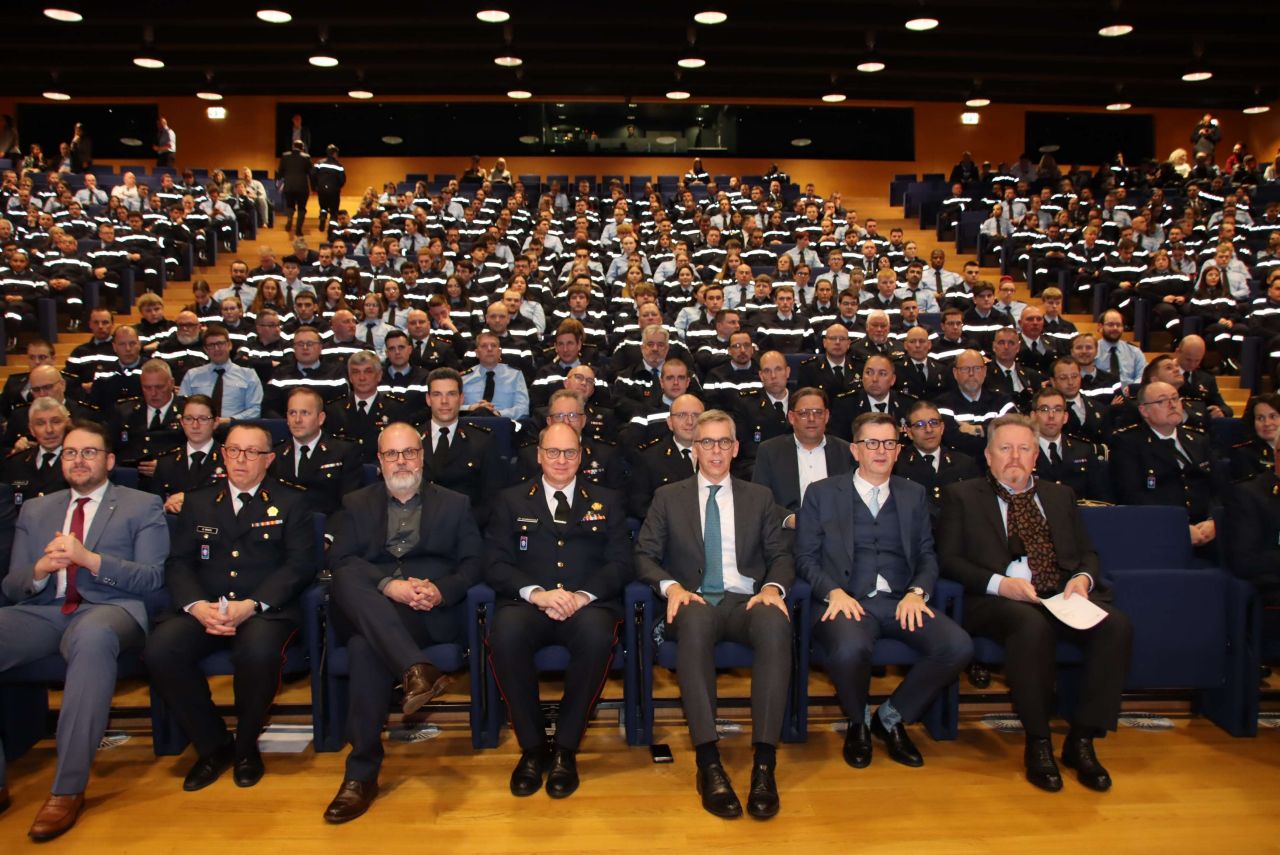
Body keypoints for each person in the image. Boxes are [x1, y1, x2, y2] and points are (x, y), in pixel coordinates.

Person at [938, 414, 1132, 792]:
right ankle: (1039, 740)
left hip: (1060, 594)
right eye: (1005, 448)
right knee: (1031, 626)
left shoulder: (1059, 496)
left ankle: (1082, 740)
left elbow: (1087, 553)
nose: (1015, 457)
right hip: (995, 600)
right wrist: (1001, 584)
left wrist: (1082, 578)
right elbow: (948, 560)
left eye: (1024, 449)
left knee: (1116, 626)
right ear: (989, 456)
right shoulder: (962, 496)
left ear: (1036, 456)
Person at [0, 422, 167, 840]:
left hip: (111, 610)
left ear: (109, 461)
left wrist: (89, 560)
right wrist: (38, 571)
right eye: (71, 453)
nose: (79, 460)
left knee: (92, 638)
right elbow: (12, 585)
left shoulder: (141, 504)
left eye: (89, 452)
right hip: (46, 609)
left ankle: (67, 789)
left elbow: (151, 579)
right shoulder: (36, 510)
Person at [634, 409, 794, 820]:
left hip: (747, 602)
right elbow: (645, 555)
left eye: (724, 442)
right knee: (696, 619)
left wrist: (773, 589)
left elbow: (781, 556)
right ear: (694, 449)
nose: (716, 450)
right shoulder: (668, 497)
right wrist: (672, 589)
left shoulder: (759, 498)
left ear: (736, 448)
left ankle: (764, 763)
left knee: (776, 622)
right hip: (694, 599)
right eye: (707, 442)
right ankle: (709, 762)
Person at [321, 423, 483, 823]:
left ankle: (360, 774)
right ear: (379, 460)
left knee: (364, 648)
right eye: (392, 454)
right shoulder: (356, 503)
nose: (402, 461)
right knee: (345, 575)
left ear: (422, 455)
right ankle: (416, 669)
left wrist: (441, 590)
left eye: (409, 452)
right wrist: (388, 586)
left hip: (427, 614)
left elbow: (475, 564)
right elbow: (338, 562)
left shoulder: (455, 503)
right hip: (373, 605)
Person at [796, 412, 972, 769]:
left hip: (899, 599)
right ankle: (858, 720)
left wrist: (918, 592)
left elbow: (926, 554)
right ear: (855, 451)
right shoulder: (821, 494)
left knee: (957, 646)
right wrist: (834, 593)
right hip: (845, 600)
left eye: (889, 443)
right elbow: (804, 558)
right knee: (849, 648)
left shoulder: (913, 494)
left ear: (898, 451)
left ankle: (891, 717)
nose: (881, 450)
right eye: (871, 443)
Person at [144, 423, 314, 792]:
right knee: (161, 649)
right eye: (234, 450)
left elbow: (299, 565)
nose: (241, 459)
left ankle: (246, 745)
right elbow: (179, 563)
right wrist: (195, 605)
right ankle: (212, 745)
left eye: (252, 452)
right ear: (222, 454)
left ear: (268, 459)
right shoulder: (198, 501)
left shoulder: (292, 501)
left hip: (264, 609)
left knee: (258, 652)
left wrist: (252, 604)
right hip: (206, 605)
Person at [485, 422, 632, 799]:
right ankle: (532, 748)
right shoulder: (510, 500)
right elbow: (495, 563)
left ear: (581, 456)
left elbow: (620, 563)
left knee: (599, 636)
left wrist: (583, 595)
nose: (561, 460)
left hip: (587, 605)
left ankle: (566, 748)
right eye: (553, 452)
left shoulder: (608, 499)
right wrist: (536, 594)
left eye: (569, 452)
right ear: (538, 455)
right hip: (529, 603)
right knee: (504, 634)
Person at [751, 387, 852, 530]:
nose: (811, 419)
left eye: (818, 413)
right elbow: (759, 500)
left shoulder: (846, 451)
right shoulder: (770, 451)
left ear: (827, 416)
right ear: (792, 417)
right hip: (788, 533)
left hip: (836, 531)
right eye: (804, 413)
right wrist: (788, 519)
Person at [268, 387, 362, 515]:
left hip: (328, 527)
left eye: (305, 413)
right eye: (292, 413)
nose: (297, 420)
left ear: (321, 418)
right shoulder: (276, 453)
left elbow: (349, 505)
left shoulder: (344, 452)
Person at [177, 324, 263, 421]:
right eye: (211, 345)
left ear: (229, 345)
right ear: (205, 349)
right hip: (200, 428)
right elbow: (182, 406)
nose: (216, 349)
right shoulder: (192, 375)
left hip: (235, 429)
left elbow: (255, 410)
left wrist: (230, 420)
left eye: (220, 344)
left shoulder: (248, 375)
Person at [277, 139, 313, 237]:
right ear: (302, 148)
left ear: (293, 146)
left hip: (289, 186)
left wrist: (280, 182)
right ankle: (298, 229)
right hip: (302, 187)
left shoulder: (285, 156)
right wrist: (314, 187)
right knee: (301, 208)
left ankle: (289, 220)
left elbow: (280, 172)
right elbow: (311, 173)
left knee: (290, 205)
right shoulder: (306, 157)